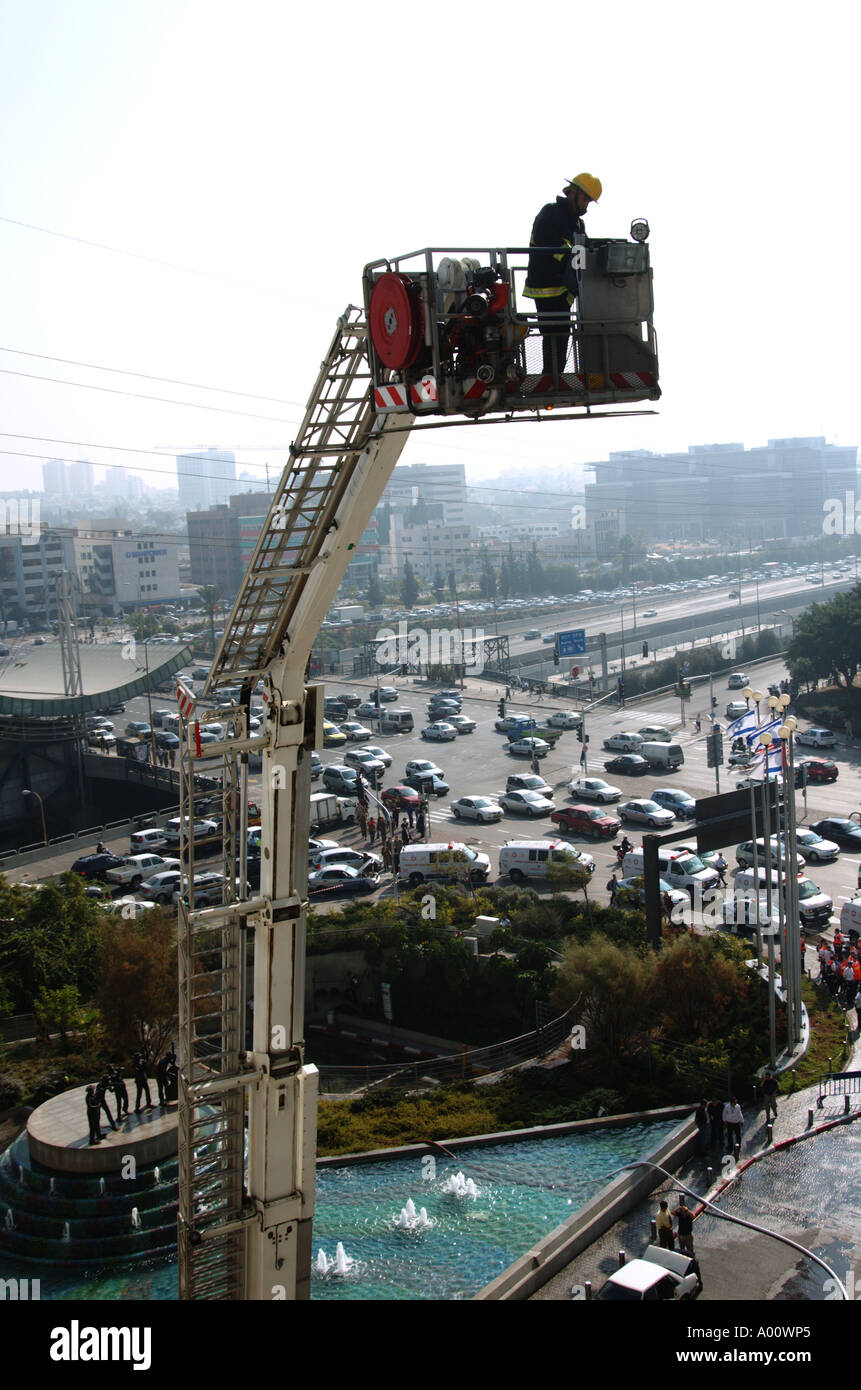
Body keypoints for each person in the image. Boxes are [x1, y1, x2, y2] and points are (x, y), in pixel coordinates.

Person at [523, 172, 602, 390]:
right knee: (552, 333)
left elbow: (580, 253)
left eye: (589, 201)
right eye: (584, 198)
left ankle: (553, 377)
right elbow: (547, 247)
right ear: (572, 193)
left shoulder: (578, 224)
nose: (586, 204)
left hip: (564, 288)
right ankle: (550, 377)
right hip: (545, 285)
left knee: (562, 333)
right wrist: (573, 257)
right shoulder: (551, 213)